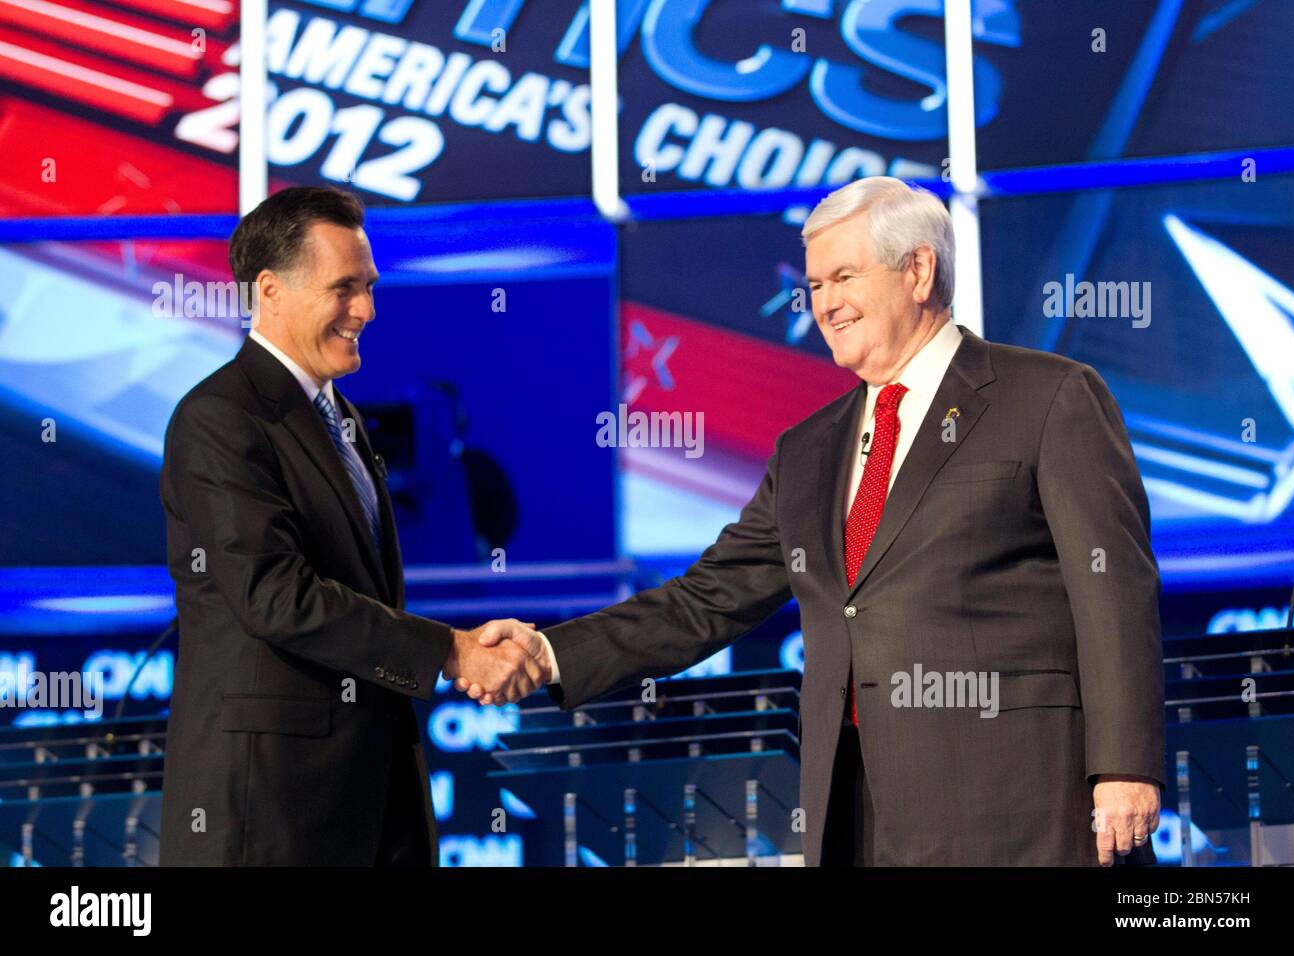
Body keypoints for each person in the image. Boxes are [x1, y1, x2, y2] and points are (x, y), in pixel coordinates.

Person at [463, 176, 1165, 866]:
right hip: (855, 810)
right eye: (815, 286)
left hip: (1021, 802)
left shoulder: (1047, 397)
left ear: (918, 270)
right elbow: (705, 599)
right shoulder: (808, 451)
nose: (823, 304)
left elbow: (1116, 591)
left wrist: (1125, 767)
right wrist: (549, 653)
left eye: (843, 278)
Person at [158, 186, 551, 865]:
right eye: (344, 289)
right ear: (271, 291)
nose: (366, 310)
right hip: (274, 810)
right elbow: (276, 596)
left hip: (370, 795)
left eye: (368, 287)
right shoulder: (220, 418)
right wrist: (453, 654)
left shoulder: (341, 419)